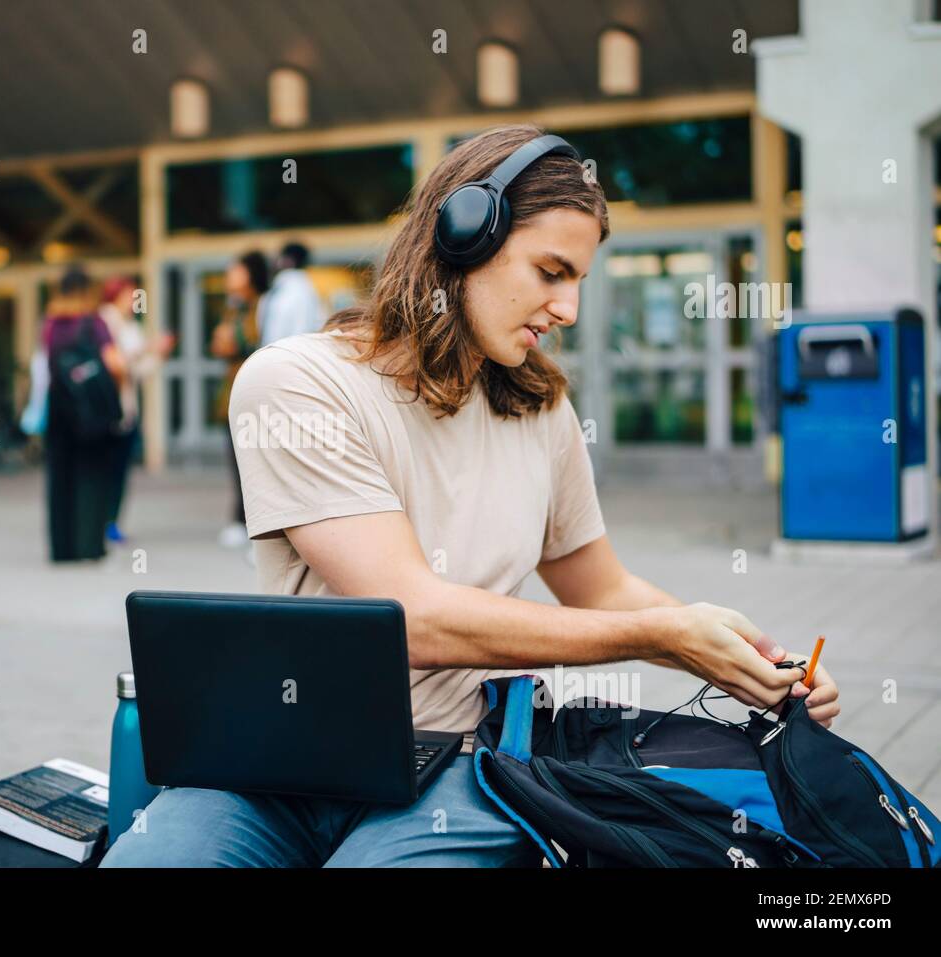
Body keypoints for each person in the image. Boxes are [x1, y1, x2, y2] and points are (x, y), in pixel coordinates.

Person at [101, 125, 840, 868]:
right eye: (551, 271)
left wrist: (745, 657)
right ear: (462, 235)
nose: (569, 309)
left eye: (579, 279)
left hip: (460, 758)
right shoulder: (296, 382)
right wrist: (661, 636)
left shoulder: (542, 407)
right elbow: (409, 618)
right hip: (268, 764)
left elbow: (601, 586)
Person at [43, 267, 126, 563]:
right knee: (92, 476)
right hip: (90, 411)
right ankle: (89, 546)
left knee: (60, 479)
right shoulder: (94, 322)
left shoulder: (51, 324)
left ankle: (62, 549)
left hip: (58, 407)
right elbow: (114, 364)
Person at [98, 276, 175, 543]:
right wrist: (146, 349)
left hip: (126, 409)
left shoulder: (131, 328)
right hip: (104, 409)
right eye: (130, 296)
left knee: (119, 471)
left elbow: (138, 372)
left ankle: (111, 522)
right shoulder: (103, 322)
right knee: (104, 470)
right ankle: (98, 522)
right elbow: (114, 362)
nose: (133, 302)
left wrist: (158, 355)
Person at [209, 250, 269, 549]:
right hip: (232, 392)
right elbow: (219, 344)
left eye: (236, 270)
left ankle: (253, 520)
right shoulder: (233, 308)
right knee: (235, 458)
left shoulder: (263, 304)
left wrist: (231, 342)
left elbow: (243, 341)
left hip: (257, 393)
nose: (230, 276)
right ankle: (239, 518)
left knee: (255, 459)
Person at [258, 241, 324, 346]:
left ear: (287, 260)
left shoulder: (279, 292)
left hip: (276, 355)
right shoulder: (306, 291)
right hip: (289, 356)